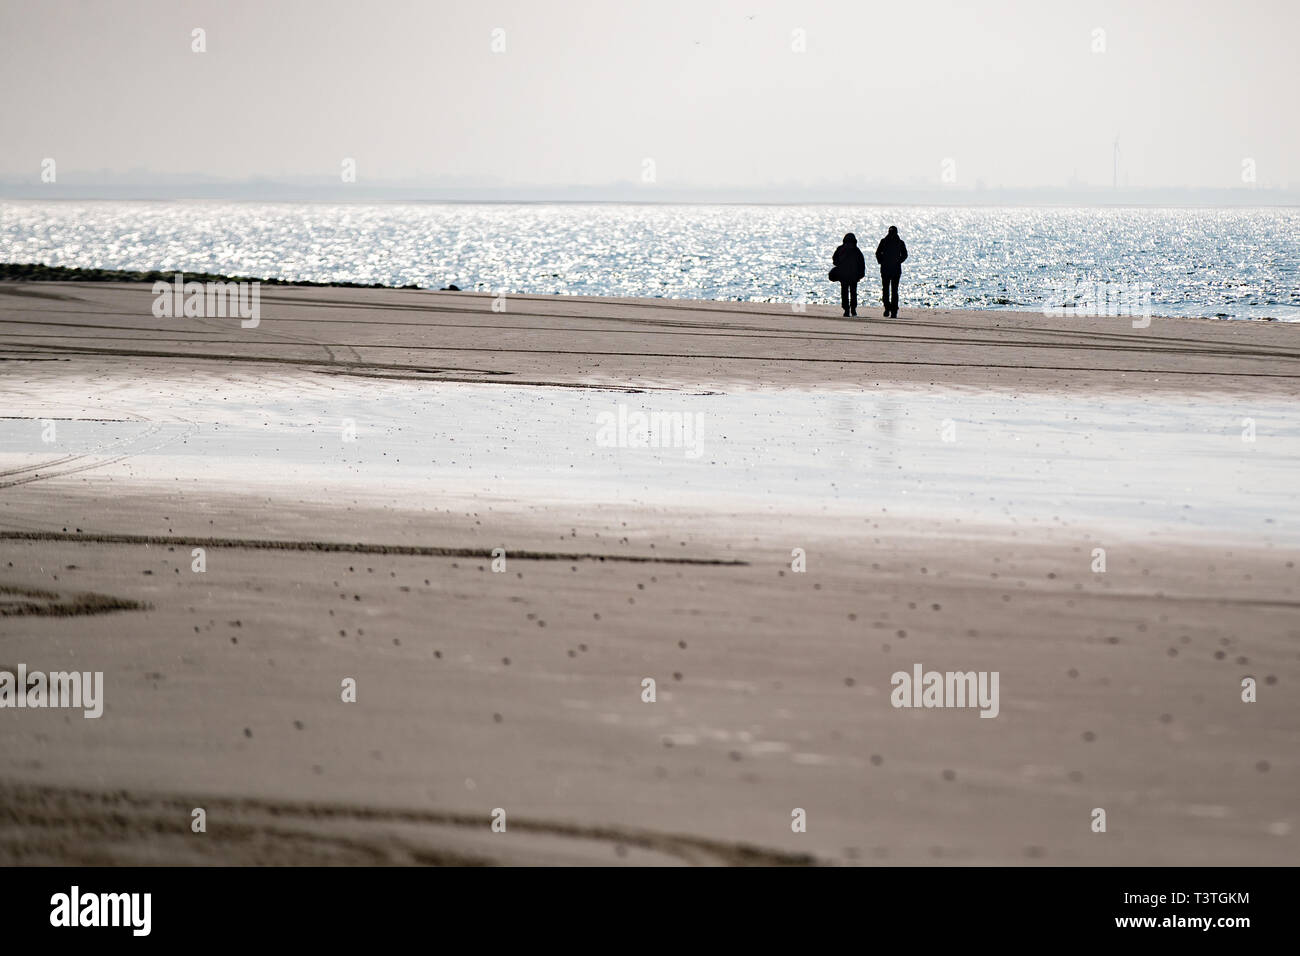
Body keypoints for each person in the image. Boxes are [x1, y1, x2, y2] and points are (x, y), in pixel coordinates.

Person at [875, 226, 908, 317]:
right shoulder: (899, 242)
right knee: (893, 291)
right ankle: (892, 310)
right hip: (894, 269)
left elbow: (878, 253)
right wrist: (898, 261)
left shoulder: (885, 241)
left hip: (887, 269)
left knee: (887, 290)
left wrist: (882, 261)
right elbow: (905, 255)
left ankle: (889, 309)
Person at [831, 233, 866, 317]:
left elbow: (835, 260)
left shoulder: (840, 249)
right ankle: (853, 309)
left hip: (843, 275)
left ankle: (846, 309)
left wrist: (840, 266)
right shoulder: (856, 250)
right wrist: (861, 274)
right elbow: (861, 263)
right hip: (854, 275)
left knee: (844, 292)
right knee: (853, 292)